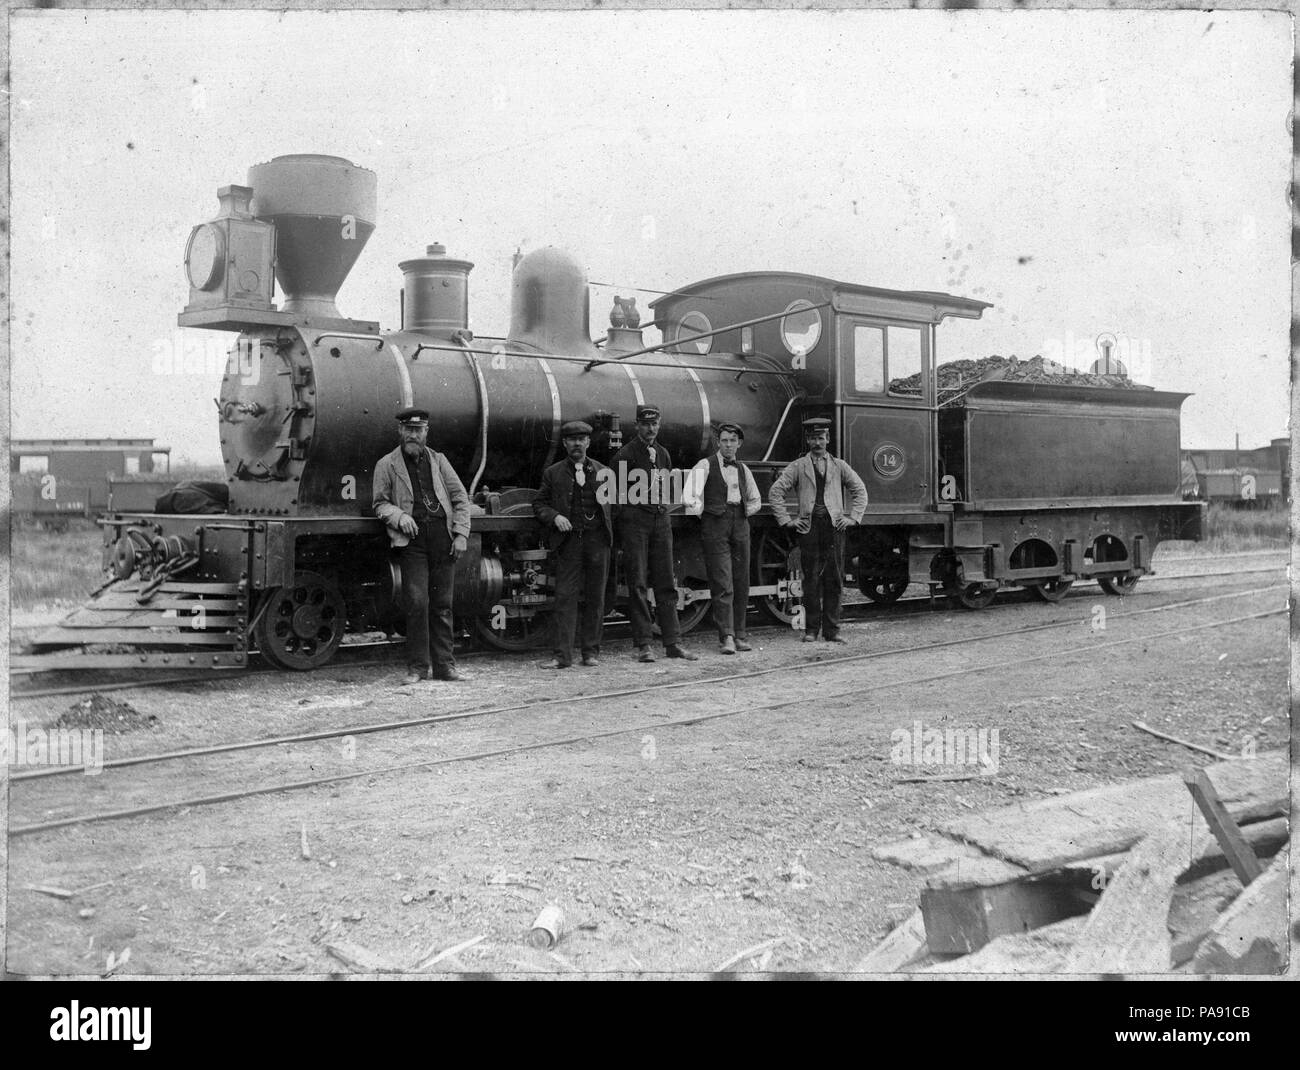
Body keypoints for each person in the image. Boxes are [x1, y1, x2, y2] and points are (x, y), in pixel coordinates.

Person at [373, 407, 471, 683]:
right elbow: (379, 504)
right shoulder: (387, 465)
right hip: (412, 542)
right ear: (400, 432)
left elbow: (460, 498)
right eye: (409, 430)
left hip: (443, 538)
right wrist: (400, 516)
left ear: (426, 432)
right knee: (416, 602)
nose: (413, 435)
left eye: (419, 430)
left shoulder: (439, 461)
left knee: (443, 604)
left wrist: (461, 534)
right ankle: (417, 668)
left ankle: (445, 667)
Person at [609, 404, 698, 663]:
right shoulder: (624, 456)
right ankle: (644, 645)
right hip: (635, 522)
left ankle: (673, 643)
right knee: (637, 583)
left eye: (655, 424)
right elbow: (615, 497)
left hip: (661, 521)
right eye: (646, 424)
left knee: (666, 583)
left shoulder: (663, 454)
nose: (650, 429)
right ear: (637, 425)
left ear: (659, 425)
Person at [769, 417, 868, 643]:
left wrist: (853, 518)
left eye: (821, 438)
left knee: (834, 578)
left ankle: (832, 631)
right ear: (807, 440)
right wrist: (786, 520)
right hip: (808, 528)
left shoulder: (839, 466)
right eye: (813, 438)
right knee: (810, 578)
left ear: (828, 439)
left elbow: (860, 490)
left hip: (834, 527)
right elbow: (776, 492)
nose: (817, 442)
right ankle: (811, 630)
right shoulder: (798, 466)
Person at [533, 420, 613, 669]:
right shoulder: (553, 473)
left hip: (597, 542)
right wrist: (555, 517)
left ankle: (590, 653)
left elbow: (614, 509)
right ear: (565, 443)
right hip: (569, 543)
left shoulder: (603, 472)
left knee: (595, 598)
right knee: (565, 597)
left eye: (582, 439)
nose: (577, 444)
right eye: (572, 440)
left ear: (588, 442)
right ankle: (562, 656)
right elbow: (539, 504)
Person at [684, 421, 761, 654]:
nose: (728, 445)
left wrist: (746, 511)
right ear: (718, 442)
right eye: (724, 440)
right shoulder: (704, 465)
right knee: (722, 582)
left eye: (732, 441)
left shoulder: (743, 469)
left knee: (741, 581)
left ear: (739, 444)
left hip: (740, 523)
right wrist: (708, 515)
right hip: (715, 525)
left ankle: (740, 635)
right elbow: (690, 497)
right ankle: (726, 636)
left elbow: (755, 498)